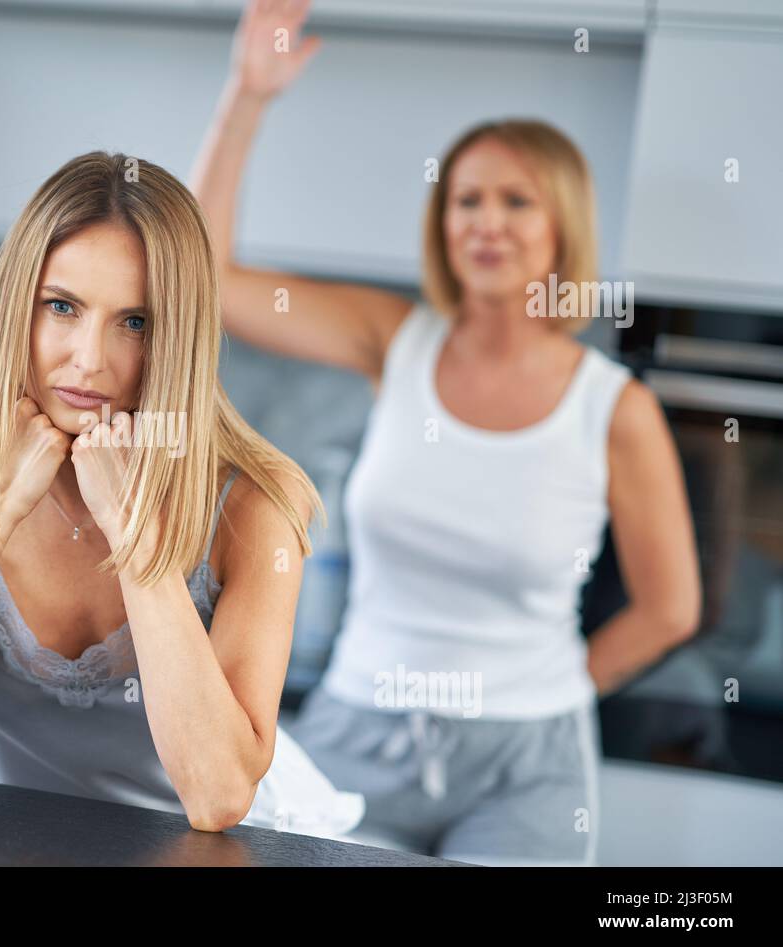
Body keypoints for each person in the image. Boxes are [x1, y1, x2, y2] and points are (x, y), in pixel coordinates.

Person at [188, 0, 702, 863]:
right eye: (467, 199)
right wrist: (246, 97)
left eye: (515, 201)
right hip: (358, 729)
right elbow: (203, 278)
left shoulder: (614, 407)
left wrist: (551, 689)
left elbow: (670, 607)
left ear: (562, 226)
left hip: (526, 766)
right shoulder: (397, 339)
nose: (486, 221)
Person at [0, 149, 364, 838]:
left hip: (249, 848)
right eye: (62, 307)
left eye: (134, 322)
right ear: (19, 302)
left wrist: (133, 530)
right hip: (36, 845)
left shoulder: (254, 503)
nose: (89, 359)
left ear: (179, 334)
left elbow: (218, 796)